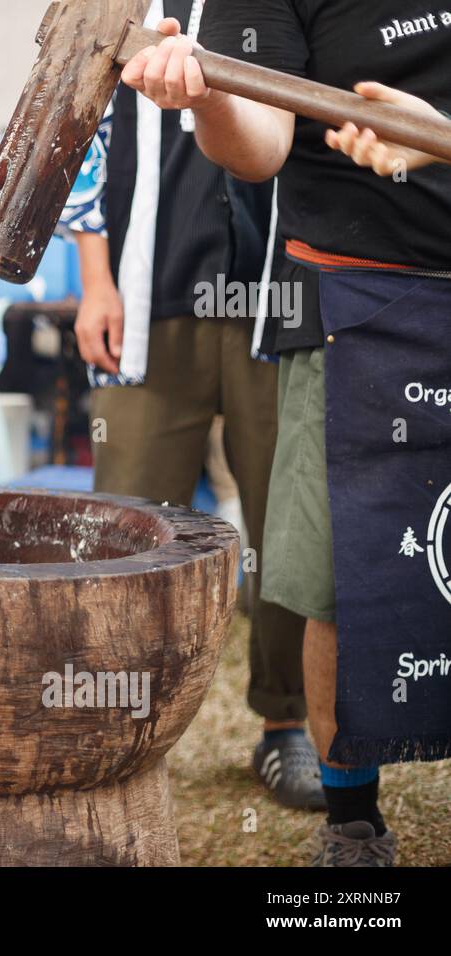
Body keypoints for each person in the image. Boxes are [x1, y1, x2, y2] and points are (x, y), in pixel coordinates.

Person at [121, 3, 451, 865]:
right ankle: (353, 821)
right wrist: (208, 96)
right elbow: (259, 147)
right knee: (341, 567)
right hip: (353, 296)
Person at [63, 0, 319, 811]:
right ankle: (114, 722)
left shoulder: (289, 8)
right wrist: (95, 282)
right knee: (128, 522)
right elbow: (83, 135)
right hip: (149, 296)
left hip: (277, 299)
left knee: (287, 522)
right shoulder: (120, 5)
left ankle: (287, 722)